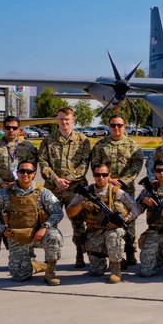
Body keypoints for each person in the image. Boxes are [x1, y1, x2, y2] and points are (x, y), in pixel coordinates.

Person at [0, 159, 64, 285]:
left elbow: (57, 212)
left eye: (29, 171)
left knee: (54, 237)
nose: (25, 174)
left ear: (34, 173)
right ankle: (35, 266)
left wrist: (45, 227)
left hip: (39, 234)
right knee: (19, 276)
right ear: (17, 173)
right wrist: (3, 229)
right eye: (22, 171)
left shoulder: (43, 192)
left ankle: (50, 271)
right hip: (16, 235)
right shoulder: (5, 193)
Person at [37, 107, 93, 269]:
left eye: (67, 119)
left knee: (78, 224)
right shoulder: (48, 140)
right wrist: (56, 180)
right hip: (53, 188)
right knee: (47, 223)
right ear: (57, 119)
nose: (64, 122)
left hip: (75, 188)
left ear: (73, 120)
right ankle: (50, 258)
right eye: (61, 119)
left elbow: (84, 164)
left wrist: (66, 180)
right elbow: (43, 162)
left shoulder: (83, 140)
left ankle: (80, 254)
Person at [0, 115, 39, 273]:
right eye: (8, 127)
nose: (11, 130)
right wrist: (1, 183)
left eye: (14, 128)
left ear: (19, 129)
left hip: (20, 191)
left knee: (22, 224)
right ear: (3, 129)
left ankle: (28, 258)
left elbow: (32, 169)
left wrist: (19, 183)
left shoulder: (28, 147)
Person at [66, 163, 140, 283]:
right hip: (94, 232)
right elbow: (70, 212)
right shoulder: (86, 191)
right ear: (93, 175)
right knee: (96, 272)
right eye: (98, 174)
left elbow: (136, 207)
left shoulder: (117, 192)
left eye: (104, 175)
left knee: (114, 235)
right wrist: (83, 204)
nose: (101, 177)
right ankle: (116, 259)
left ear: (109, 175)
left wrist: (126, 219)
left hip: (113, 230)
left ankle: (116, 268)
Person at [89, 113, 144, 267]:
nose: (116, 128)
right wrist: (109, 180)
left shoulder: (133, 145)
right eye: (113, 125)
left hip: (125, 188)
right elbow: (95, 164)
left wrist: (121, 180)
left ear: (124, 126)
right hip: (105, 188)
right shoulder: (101, 145)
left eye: (119, 125)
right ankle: (109, 252)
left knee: (129, 220)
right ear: (109, 126)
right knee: (106, 218)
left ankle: (130, 252)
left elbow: (136, 166)